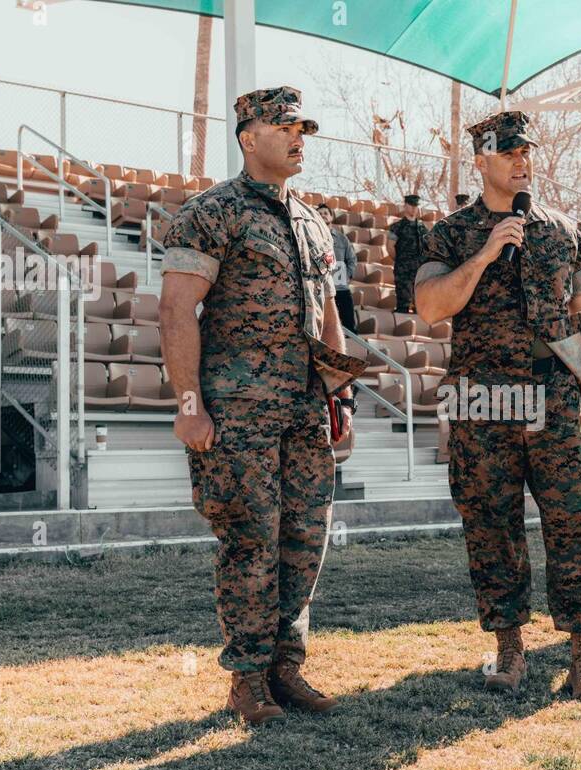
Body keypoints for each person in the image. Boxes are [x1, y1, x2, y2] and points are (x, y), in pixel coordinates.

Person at [158, 86, 365, 725]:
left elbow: (329, 312)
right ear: (250, 137)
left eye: (303, 127)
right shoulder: (211, 212)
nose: (298, 138)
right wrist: (190, 405)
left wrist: (341, 394)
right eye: (285, 128)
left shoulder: (311, 219)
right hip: (238, 409)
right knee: (252, 539)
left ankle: (286, 669)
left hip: (304, 409)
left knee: (305, 538)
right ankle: (246, 680)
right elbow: (175, 310)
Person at [415, 110, 581, 702]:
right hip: (482, 396)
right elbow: (430, 307)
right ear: (481, 161)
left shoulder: (560, 230)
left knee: (576, 517)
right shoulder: (451, 233)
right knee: (490, 522)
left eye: (527, 150)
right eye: (508, 153)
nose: (521, 160)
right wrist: (481, 257)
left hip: (553, 393)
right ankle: (508, 648)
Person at [316, 202, 357, 335]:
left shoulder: (341, 238)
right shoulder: (312, 237)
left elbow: (352, 259)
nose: (323, 215)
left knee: (349, 325)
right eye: (320, 214)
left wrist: (347, 275)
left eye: (325, 213)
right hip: (320, 287)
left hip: (340, 286)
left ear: (331, 217)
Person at [386, 193, 429, 314]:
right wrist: (400, 261)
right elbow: (390, 247)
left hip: (419, 269)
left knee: (419, 306)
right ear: (405, 206)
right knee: (403, 304)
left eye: (416, 206)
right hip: (403, 268)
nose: (414, 208)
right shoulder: (397, 227)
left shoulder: (423, 228)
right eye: (411, 205)